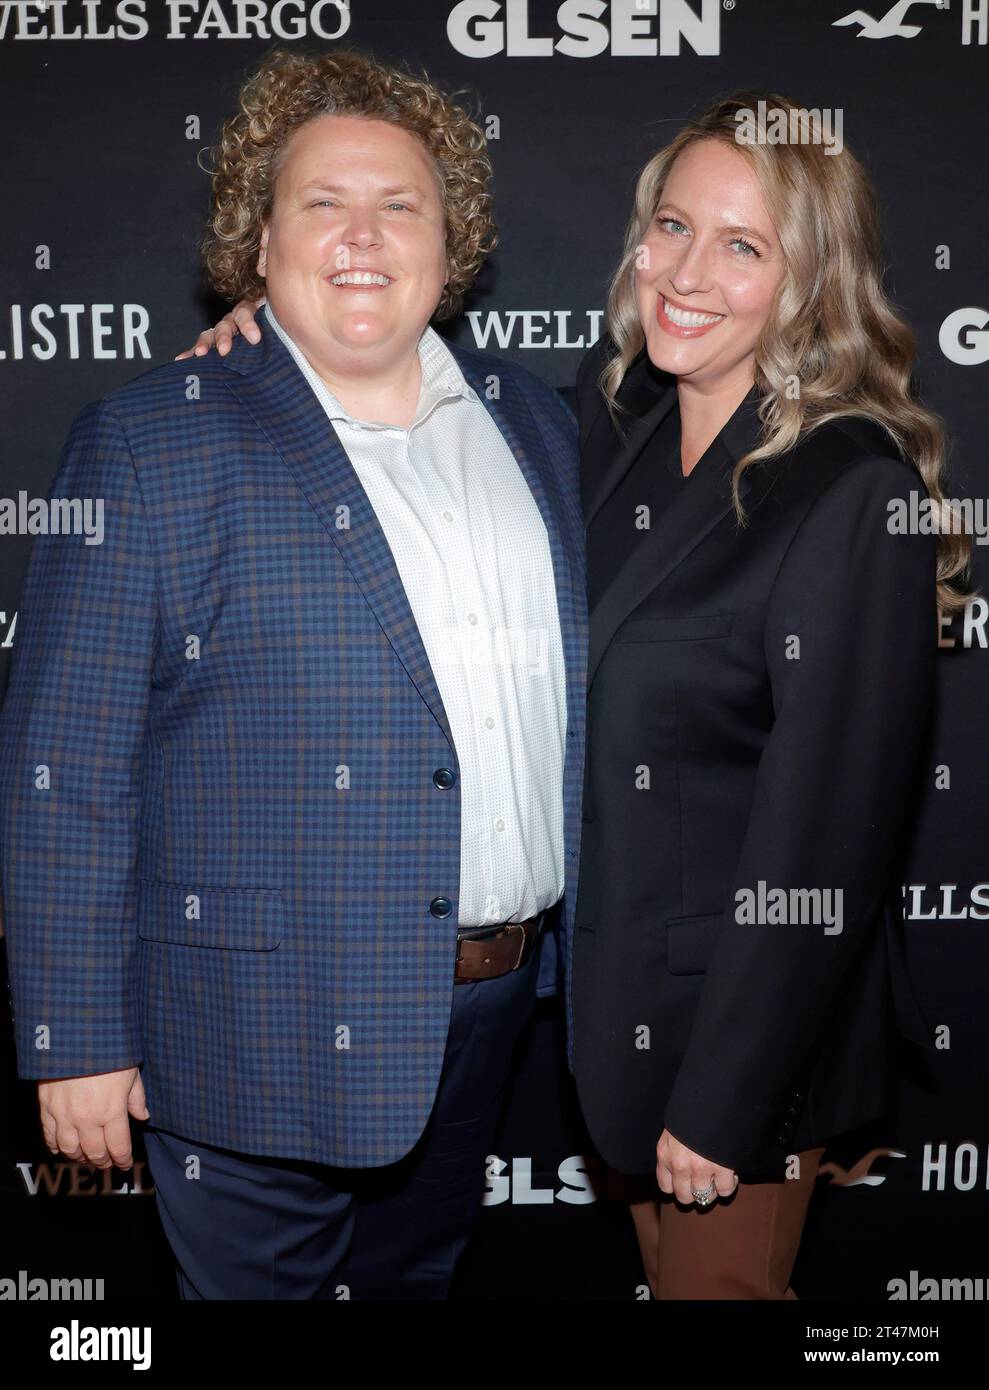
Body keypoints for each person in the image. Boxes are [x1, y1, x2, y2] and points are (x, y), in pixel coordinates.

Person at [182, 91, 975, 1301]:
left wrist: (727, 1102)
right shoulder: (609, 427)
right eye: (670, 225)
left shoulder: (850, 487)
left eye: (741, 245)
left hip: (745, 1052)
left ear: (808, 282)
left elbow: (829, 843)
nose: (685, 271)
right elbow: (406, 401)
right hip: (618, 1025)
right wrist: (283, 325)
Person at [0, 48, 587, 1300]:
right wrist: (74, 1044)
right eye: (322, 203)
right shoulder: (151, 437)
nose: (363, 236)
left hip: (492, 1014)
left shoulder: (536, 424)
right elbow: (66, 765)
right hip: (246, 1031)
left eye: (401, 205)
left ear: (454, 243)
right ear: (258, 244)